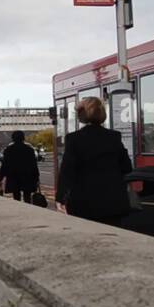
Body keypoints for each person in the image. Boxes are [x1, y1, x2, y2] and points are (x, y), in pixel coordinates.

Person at [55, 96, 133, 224]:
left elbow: (67, 171)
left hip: (83, 202)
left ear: (81, 115)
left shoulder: (74, 139)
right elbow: (126, 167)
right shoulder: (114, 137)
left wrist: (61, 197)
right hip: (113, 201)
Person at [0, 130, 40, 203]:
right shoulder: (29, 150)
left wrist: (0, 178)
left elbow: (4, 165)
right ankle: (28, 210)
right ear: (23, 138)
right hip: (27, 176)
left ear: (13, 138)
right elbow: (34, 165)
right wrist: (37, 177)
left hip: (14, 176)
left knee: (16, 196)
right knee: (27, 196)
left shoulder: (9, 150)